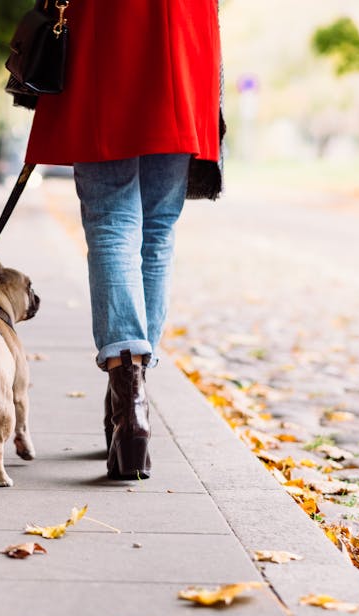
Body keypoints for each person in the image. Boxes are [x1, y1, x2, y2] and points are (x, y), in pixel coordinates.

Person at [25, 0, 224, 479]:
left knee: (113, 217)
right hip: (183, 28)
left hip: (108, 28)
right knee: (157, 228)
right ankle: (132, 404)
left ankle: (126, 392)